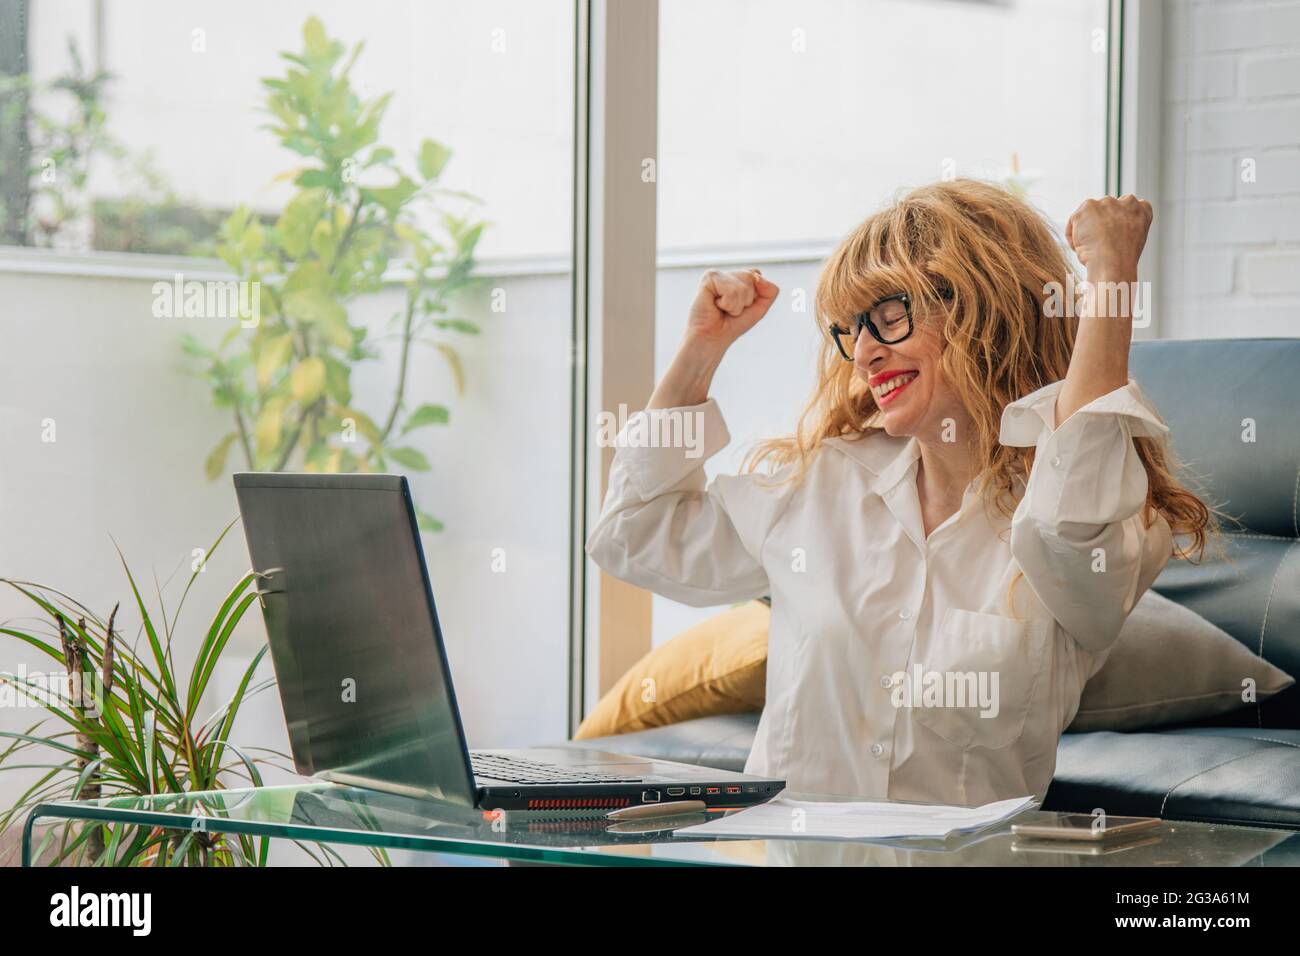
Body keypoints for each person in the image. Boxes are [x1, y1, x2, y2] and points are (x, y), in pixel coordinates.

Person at [586, 179, 1213, 805]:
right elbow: (633, 534)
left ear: (984, 310)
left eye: (889, 318)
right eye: (852, 330)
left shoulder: (1096, 524)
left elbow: (1072, 518)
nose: (863, 354)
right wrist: (701, 348)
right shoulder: (821, 485)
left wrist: (1111, 276)